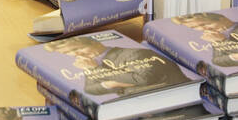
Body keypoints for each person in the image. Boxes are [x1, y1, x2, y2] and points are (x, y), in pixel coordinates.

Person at [44, 35, 185, 97]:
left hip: (177, 106)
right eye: (68, 53)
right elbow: (90, 89)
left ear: (93, 43)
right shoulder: (92, 62)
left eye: (75, 49)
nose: (75, 55)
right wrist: (113, 83)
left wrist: (96, 71)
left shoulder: (133, 53)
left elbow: (143, 79)